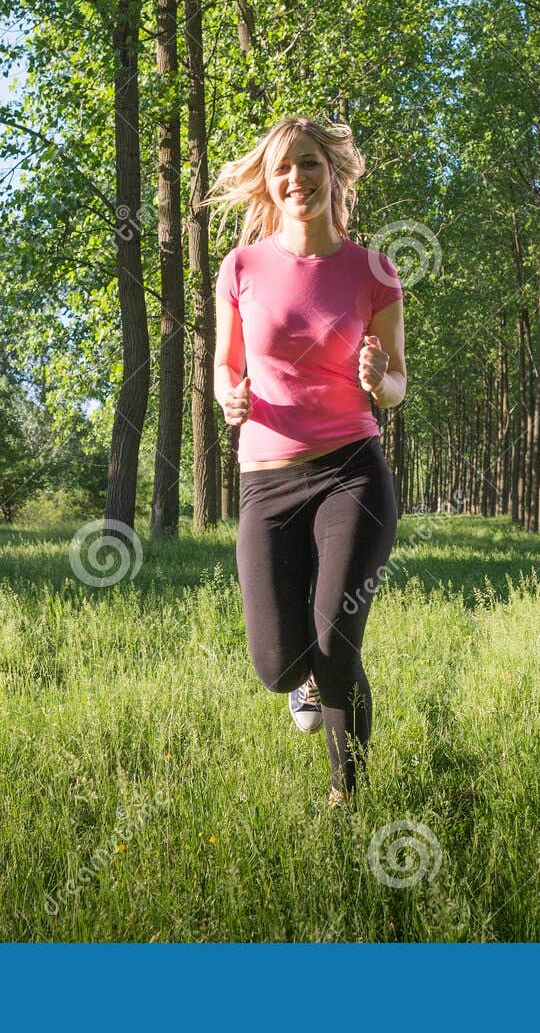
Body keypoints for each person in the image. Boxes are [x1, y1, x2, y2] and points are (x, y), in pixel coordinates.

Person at [209, 116, 407, 809]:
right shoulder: (240, 268)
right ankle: (315, 677)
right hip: (266, 479)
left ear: (334, 173)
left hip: (351, 470)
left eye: (311, 164)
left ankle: (345, 795)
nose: (298, 178)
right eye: (284, 167)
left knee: (334, 637)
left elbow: (397, 386)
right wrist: (228, 397)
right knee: (277, 664)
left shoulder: (373, 270)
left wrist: (378, 375)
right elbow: (224, 365)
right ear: (268, 181)